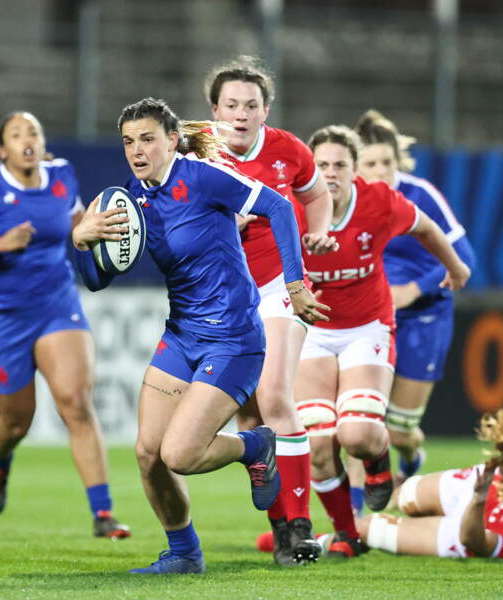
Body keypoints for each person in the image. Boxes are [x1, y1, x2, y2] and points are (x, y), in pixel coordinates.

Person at [70, 97, 329, 574]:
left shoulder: (203, 177)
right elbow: (97, 279)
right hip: (183, 335)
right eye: (128, 141)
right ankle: (185, 553)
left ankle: (256, 446)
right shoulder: (133, 196)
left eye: (147, 138)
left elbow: (278, 206)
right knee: (148, 453)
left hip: (233, 337)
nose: (137, 150)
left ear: (171, 139)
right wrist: (83, 241)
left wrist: (295, 285)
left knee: (180, 454)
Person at [0, 111, 129, 539]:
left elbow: (77, 223)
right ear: (2, 149)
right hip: (1, 316)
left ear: (43, 143)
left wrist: (94, 229)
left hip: (57, 305)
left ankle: (103, 514)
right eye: (17, 134)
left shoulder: (62, 176)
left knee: (75, 402)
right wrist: (0, 244)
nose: (28, 139)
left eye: (35, 132)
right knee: (16, 420)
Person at [296, 125, 469, 557]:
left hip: (367, 328)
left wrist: (455, 269)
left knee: (359, 433)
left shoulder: (380, 201)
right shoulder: (288, 206)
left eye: (340, 165)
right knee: (318, 444)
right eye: (322, 165)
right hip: (313, 332)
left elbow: (429, 229)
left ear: (356, 172)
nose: (331, 174)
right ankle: (348, 532)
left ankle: (378, 464)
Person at [203, 55, 337, 565]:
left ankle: (300, 529)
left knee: (276, 396)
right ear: (214, 109)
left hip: (283, 282)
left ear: (266, 110)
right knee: (251, 416)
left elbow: (316, 195)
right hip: (226, 295)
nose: (240, 114)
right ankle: (280, 524)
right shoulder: (196, 155)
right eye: (231, 105)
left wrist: (319, 231)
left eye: (251, 105)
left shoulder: (288, 151)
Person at [349, 110, 476, 506]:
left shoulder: (419, 195)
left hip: (424, 317)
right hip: (371, 320)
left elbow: (463, 256)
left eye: (387, 162)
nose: (381, 170)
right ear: (355, 165)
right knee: (361, 421)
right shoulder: (345, 199)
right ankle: (351, 524)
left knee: (399, 431)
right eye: (371, 163)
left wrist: (411, 290)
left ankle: (410, 454)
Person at [354, 406, 503, 561]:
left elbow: (472, 540)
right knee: (404, 496)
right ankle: (407, 471)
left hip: (471, 520)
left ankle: (329, 541)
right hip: (482, 485)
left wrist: (478, 499)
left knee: (368, 529)